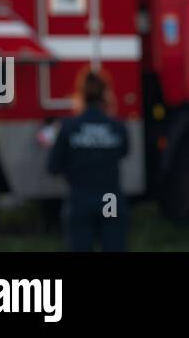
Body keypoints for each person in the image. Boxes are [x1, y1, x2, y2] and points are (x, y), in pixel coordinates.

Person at [46, 70, 130, 251]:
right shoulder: (117, 126)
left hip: (80, 199)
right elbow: (123, 152)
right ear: (105, 95)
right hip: (110, 200)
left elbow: (53, 166)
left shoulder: (68, 127)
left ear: (80, 95)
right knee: (113, 245)